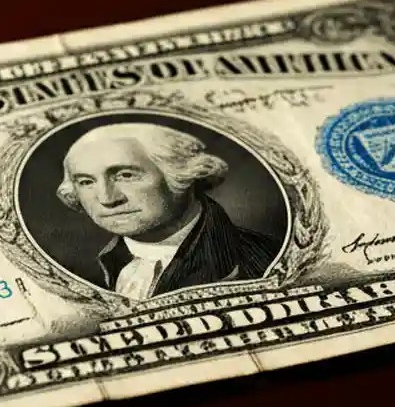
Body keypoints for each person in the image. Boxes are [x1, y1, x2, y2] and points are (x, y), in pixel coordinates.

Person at [56, 122, 281, 301]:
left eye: (125, 175)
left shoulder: (264, 260)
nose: (107, 199)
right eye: (86, 182)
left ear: (182, 176)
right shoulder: (75, 273)